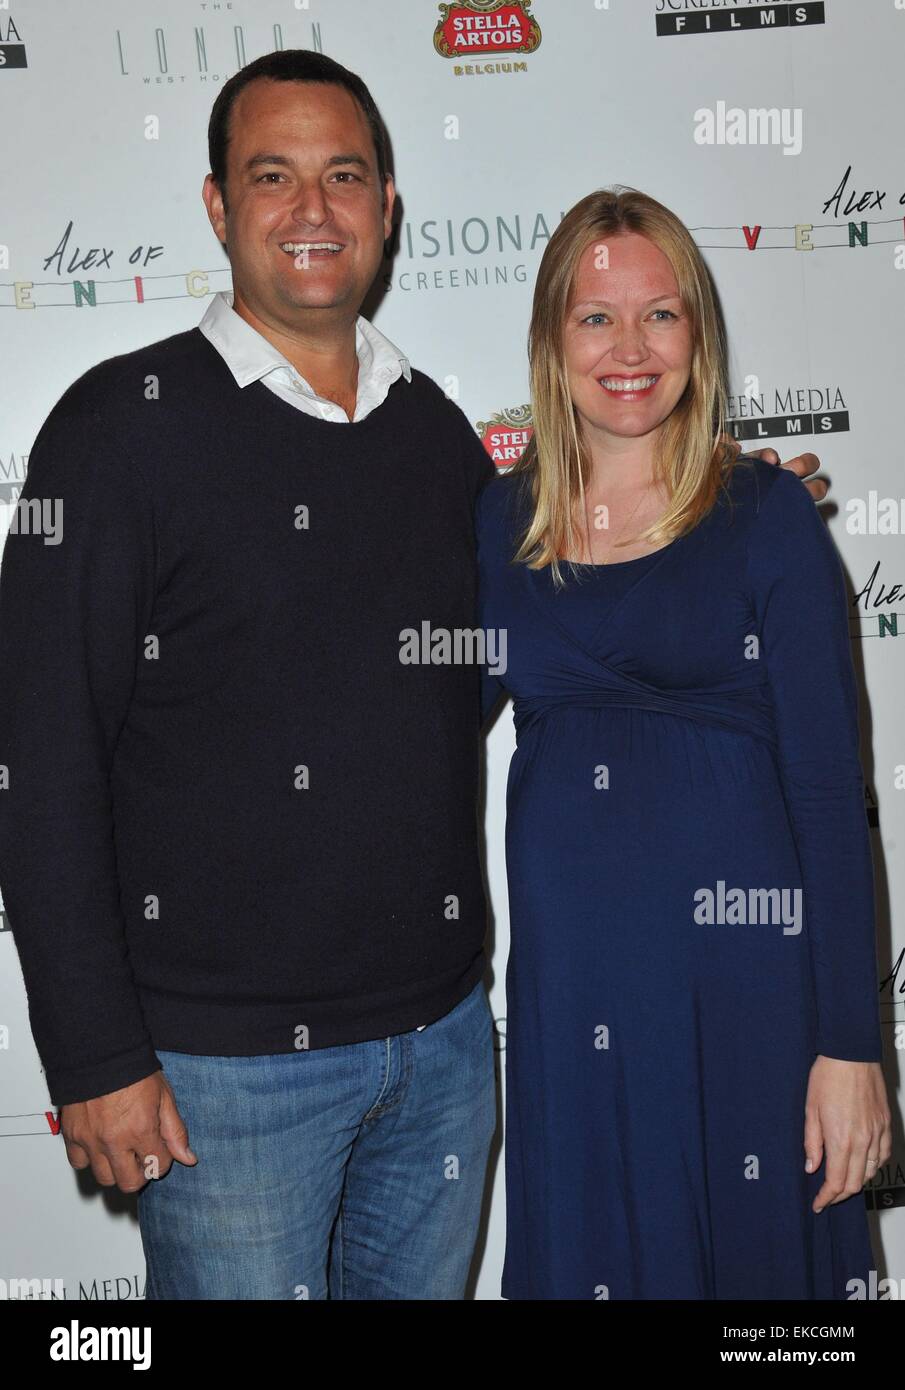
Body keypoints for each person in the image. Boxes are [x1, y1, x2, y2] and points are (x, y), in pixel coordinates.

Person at [0, 52, 826, 1301]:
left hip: (442, 1050)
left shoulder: (437, 439)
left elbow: (511, 669)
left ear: (389, 205)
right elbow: (39, 754)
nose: (311, 208)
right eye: (271, 176)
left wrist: (728, 524)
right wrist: (95, 1055)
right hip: (224, 1079)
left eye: (343, 175)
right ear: (218, 207)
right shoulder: (120, 428)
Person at [476, 187, 892, 1300]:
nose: (628, 347)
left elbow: (826, 793)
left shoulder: (763, 515)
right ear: (549, 340)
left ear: (696, 336)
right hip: (575, 1000)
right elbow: (409, 736)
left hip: (751, 990)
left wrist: (852, 1046)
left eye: (659, 315)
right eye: (594, 317)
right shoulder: (494, 527)